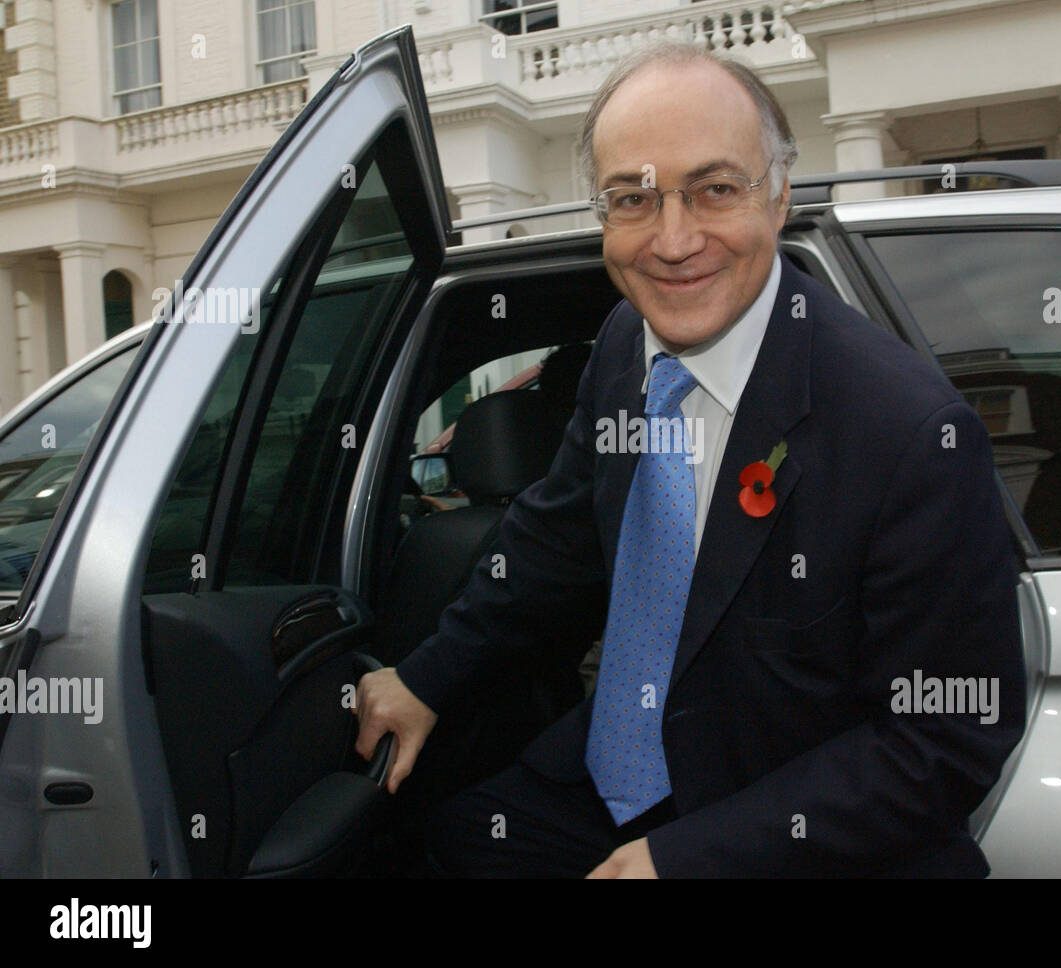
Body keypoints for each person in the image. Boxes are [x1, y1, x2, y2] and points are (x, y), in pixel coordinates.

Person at [354, 40, 1027, 878]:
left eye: (715, 189)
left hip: (794, 831)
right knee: (454, 841)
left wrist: (687, 860)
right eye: (632, 198)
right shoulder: (623, 347)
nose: (672, 242)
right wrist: (427, 678)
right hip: (617, 782)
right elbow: (554, 542)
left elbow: (942, 741)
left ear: (778, 195)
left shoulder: (910, 435)